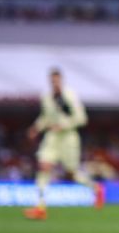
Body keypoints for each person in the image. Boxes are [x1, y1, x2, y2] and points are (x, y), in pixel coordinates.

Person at [23, 67, 104, 220]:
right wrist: (35, 128)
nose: (54, 83)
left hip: (69, 138)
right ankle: (40, 207)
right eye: (52, 80)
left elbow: (82, 118)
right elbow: (45, 117)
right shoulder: (46, 97)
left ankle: (96, 188)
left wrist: (63, 125)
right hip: (52, 137)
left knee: (71, 174)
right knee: (43, 166)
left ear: (61, 80)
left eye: (57, 80)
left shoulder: (70, 96)